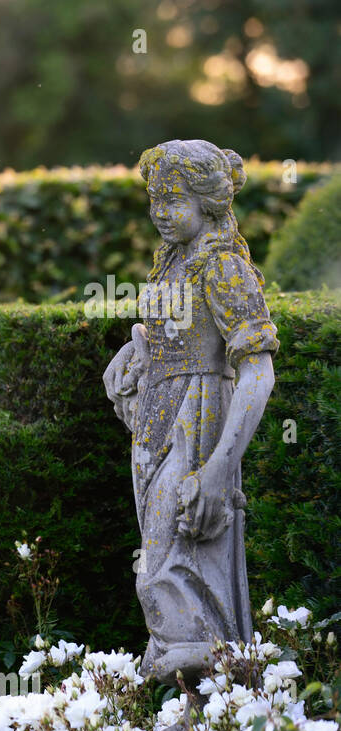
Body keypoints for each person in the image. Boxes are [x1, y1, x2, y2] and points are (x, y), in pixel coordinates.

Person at [103, 140, 279, 687]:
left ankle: (206, 695)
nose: (160, 211)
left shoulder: (224, 266)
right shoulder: (173, 262)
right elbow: (170, 337)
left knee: (173, 565)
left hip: (196, 422)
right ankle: (198, 701)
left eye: (173, 198)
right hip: (154, 425)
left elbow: (258, 371)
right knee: (160, 558)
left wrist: (222, 467)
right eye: (154, 198)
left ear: (208, 201)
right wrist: (133, 351)